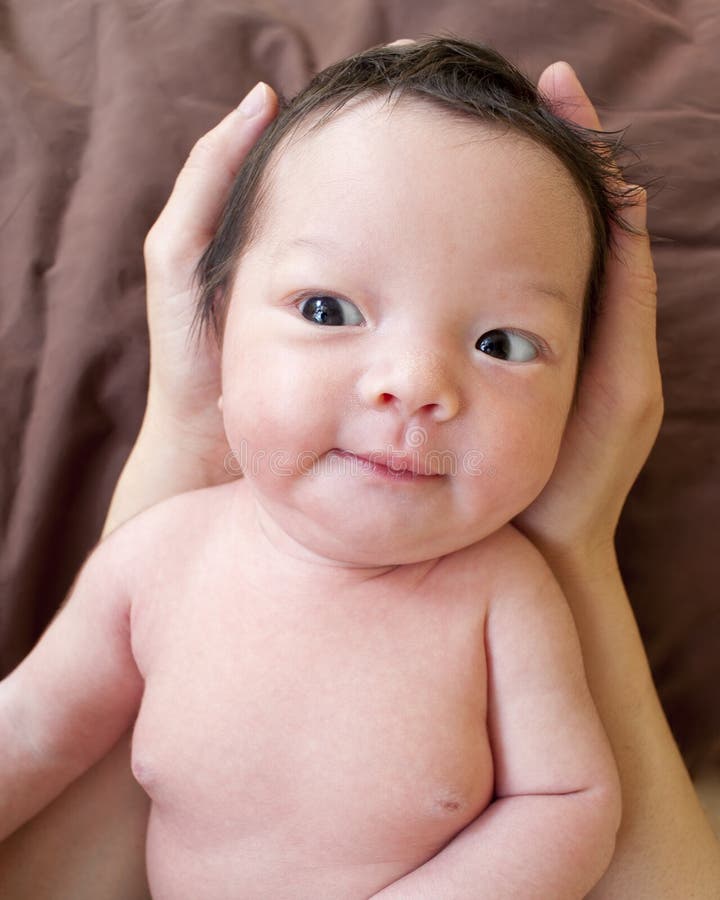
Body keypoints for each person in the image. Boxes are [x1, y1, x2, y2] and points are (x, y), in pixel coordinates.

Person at [0, 38, 717, 900]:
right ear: (216, 324)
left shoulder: (506, 595)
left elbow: (567, 801)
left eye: (503, 343)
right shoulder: (155, 560)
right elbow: (31, 731)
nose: (416, 385)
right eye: (327, 309)